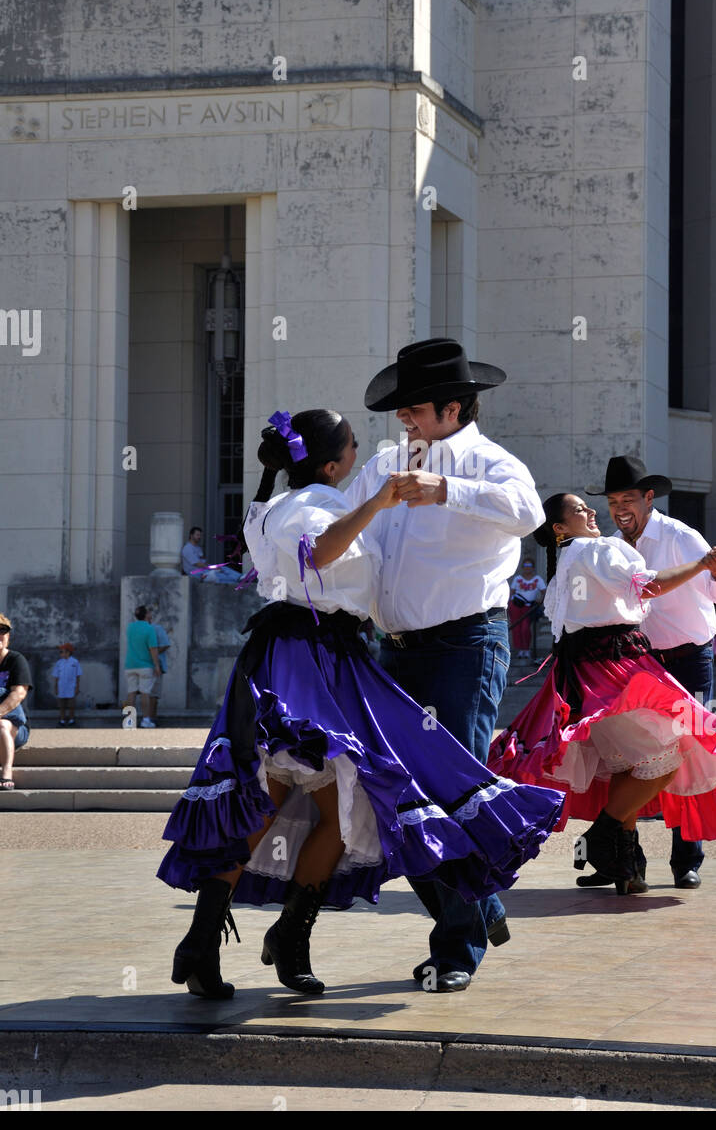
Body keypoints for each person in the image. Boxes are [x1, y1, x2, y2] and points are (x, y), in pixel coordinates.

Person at [158, 408, 562, 1001]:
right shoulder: (318, 506)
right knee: (328, 803)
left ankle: (233, 938)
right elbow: (318, 554)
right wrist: (372, 507)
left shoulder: (273, 508)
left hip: (304, 657)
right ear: (332, 462)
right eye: (350, 447)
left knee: (304, 805)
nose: (361, 454)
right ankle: (270, 935)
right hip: (314, 658)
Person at [345, 337, 546, 991]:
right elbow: (343, 528)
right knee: (390, 796)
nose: (402, 419)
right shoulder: (380, 466)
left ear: (451, 408)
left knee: (453, 792)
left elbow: (528, 515)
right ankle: (481, 904)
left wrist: (446, 490)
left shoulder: (491, 463)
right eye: (399, 409)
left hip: (465, 646)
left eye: (414, 407)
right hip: (393, 653)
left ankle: (456, 946)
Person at [489, 493, 716, 893]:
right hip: (613, 670)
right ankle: (605, 836)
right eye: (580, 509)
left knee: (628, 765)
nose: (591, 511)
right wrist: (703, 564)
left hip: (587, 673)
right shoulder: (596, 550)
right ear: (560, 528)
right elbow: (647, 587)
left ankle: (627, 865)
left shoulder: (567, 559)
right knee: (669, 752)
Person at [592, 455, 716, 890]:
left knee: (688, 754)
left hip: (687, 658)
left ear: (648, 498)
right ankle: (626, 863)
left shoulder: (678, 535)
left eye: (628, 499)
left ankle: (687, 861)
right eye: (614, 500)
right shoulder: (611, 544)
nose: (620, 508)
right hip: (637, 664)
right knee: (629, 756)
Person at [0, 613, 32, 792]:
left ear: (8, 636)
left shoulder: (15, 660)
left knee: (2, 724)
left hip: (15, 726)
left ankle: (6, 772)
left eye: (2, 631)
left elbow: (19, 693)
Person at [124, 604, 161, 730]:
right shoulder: (149, 629)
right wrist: (157, 665)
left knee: (131, 693)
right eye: (149, 613)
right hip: (145, 665)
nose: (151, 615)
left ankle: (129, 721)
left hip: (130, 664)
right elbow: (153, 648)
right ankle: (146, 720)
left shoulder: (130, 627)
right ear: (146, 615)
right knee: (145, 693)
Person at [509, 556, 546, 659]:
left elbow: (544, 591)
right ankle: (520, 650)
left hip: (529, 608)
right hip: (516, 606)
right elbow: (512, 592)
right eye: (525, 565)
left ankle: (526, 649)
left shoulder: (537, 579)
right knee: (516, 628)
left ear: (533, 567)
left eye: (529, 565)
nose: (527, 567)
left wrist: (541, 600)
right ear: (522, 567)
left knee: (525, 628)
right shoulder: (518, 579)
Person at [145, 608, 171, 724]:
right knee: (152, 694)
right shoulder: (150, 629)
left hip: (151, 664)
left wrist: (152, 654)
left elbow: (165, 645)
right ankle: (149, 718)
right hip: (149, 664)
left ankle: (151, 718)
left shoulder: (155, 629)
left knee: (153, 694)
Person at [52, 643, 82, 727]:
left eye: (62, 652)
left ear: (68, 652)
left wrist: (77, 687)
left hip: (71, 687)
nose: (61, 654)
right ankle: (62, 720)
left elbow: (78, 676)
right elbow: (56, 676)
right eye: (60, 652)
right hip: (61, 687)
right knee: (61, 705)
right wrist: (56, 687)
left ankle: (71, 720)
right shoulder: (59, 663)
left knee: (71, 705)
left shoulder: (75, 662)